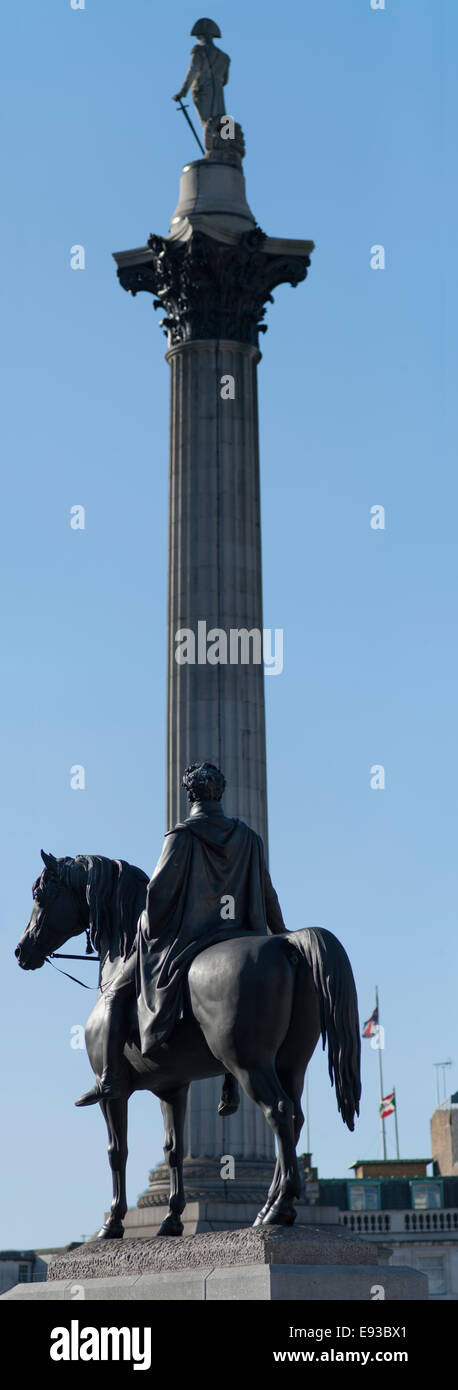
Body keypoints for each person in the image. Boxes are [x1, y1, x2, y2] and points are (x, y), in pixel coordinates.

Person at [75, 762, 287, 1113]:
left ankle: (111, 1076)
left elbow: (158, 894)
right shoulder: (249, 838)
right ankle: (230, 1081)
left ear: (190, 795)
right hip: (241, 933)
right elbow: (267, 894)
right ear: (221, 791)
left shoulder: (183, 836)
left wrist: (144, 925)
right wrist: (282, 934)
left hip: (188, 940)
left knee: (114, 993)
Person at [172, 18, 230, 129]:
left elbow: (193, 70)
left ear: (199, 36)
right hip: (218, 92)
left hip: (202, 90)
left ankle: (211, 144)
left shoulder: (199, 50)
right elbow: (225, 81)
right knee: (221, 122)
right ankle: (227, 142)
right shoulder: (225, 57)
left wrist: (183, 92)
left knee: (207, 123)